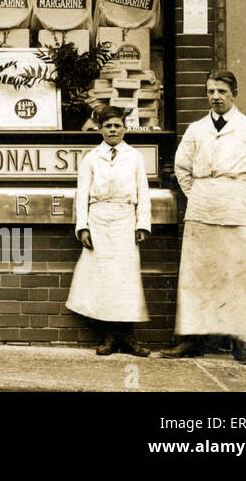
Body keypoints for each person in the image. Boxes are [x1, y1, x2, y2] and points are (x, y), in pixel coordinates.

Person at [162, 70, 246, 365]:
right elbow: (182, 169)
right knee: (196, 276)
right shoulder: (196, 129)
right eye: (211, 91)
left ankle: (242, 343)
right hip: (201, 207)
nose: (215, 97)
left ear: (234, 93)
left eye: (222, 92)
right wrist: (200, 193)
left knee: (239, 276)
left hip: (236, 206)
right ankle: (192, 340)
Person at [65, 106, 152, 356]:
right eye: (108, 126)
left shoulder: (134, 156)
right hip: (99, 221)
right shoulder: (91, 158)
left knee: (126, 280)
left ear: (125, 128)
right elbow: (82, 195)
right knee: (103, 279)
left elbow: (143, 193)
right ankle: (109, 337)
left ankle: (129, 337)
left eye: (117, 125)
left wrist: (142, 224)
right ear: (100, 129)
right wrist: (83, 227)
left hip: (125, 220)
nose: (113, 130)